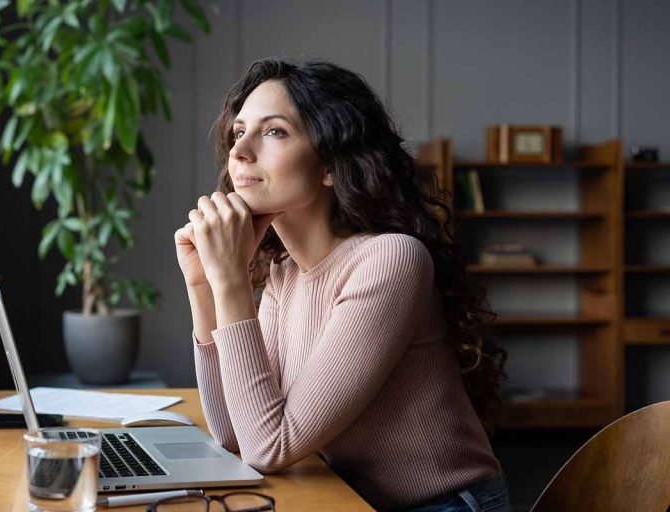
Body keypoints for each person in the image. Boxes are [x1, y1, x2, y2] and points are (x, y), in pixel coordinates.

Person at [173, 59, 512, 511]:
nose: (240, 152)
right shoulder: (284, 275)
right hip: (354, 499)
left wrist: (231, 279)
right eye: (238, 132)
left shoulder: (389, 261)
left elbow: (270, 448)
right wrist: (203, 286)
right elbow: (234, 433)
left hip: (442, 505)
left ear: (331, 164)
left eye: (274, 132)